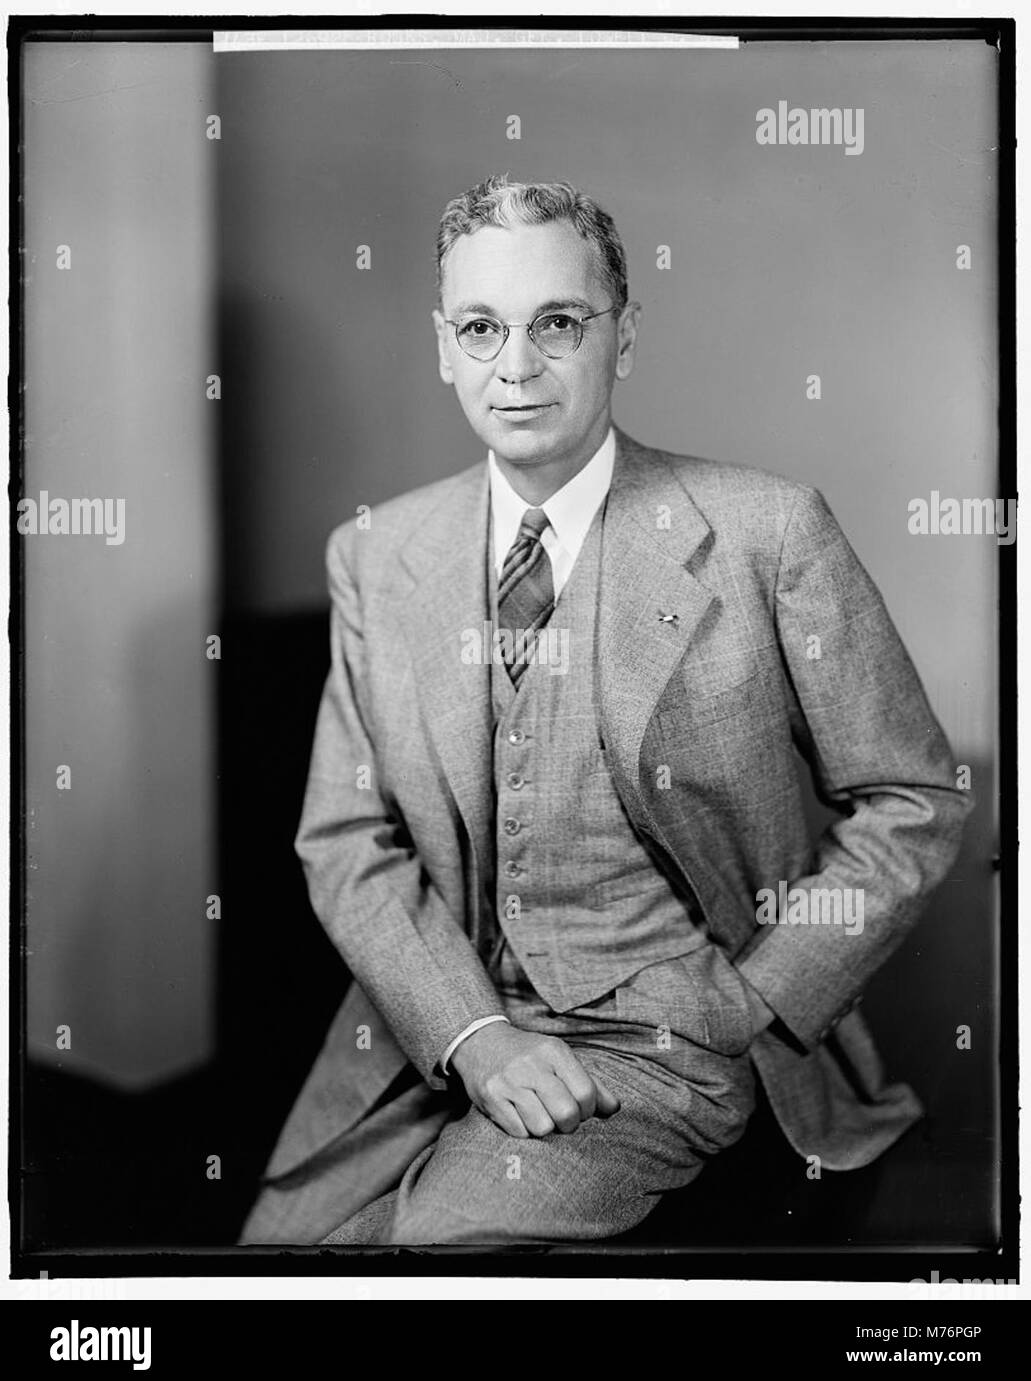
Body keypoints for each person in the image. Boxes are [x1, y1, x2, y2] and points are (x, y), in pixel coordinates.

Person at [239, 175, 971, 1246]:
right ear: (443, 346)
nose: (517, 366)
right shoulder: (378, 553)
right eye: (481, 328)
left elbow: (910, 797)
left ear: (620, 340)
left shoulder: (767, 533)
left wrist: (754, 998)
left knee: (438, 1259)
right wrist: (470, 1029)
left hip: (660, 1050)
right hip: (429, 1027)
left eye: (558, 323)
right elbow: (346, 836)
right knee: (272, 1264)